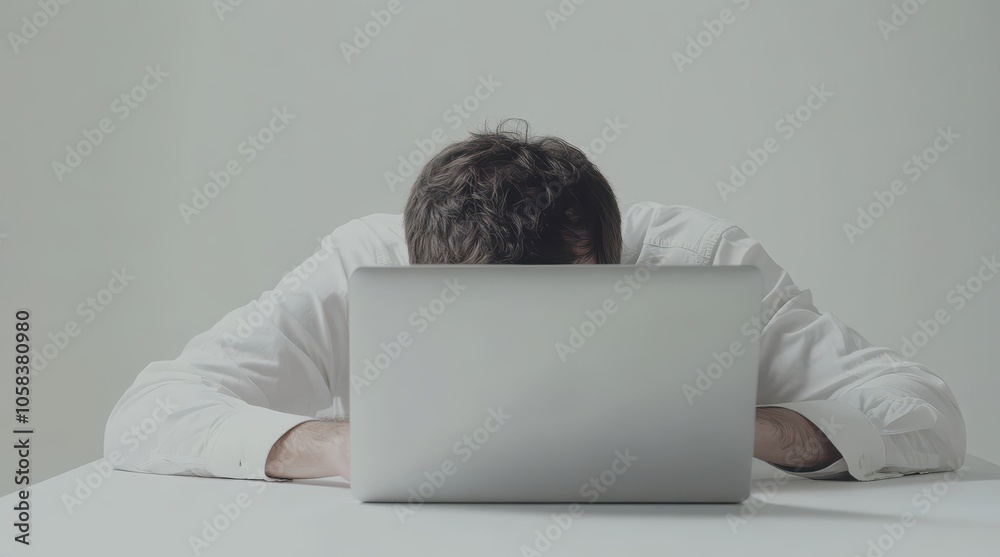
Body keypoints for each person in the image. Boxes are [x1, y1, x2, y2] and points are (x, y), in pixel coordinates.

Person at [104, 120, 965, 484]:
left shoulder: (699, 258)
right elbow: (145, 415)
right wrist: (342, 447)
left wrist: (730, 427)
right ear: (421, 275)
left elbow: (926, 414)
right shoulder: (363, 265)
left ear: (616, 256)